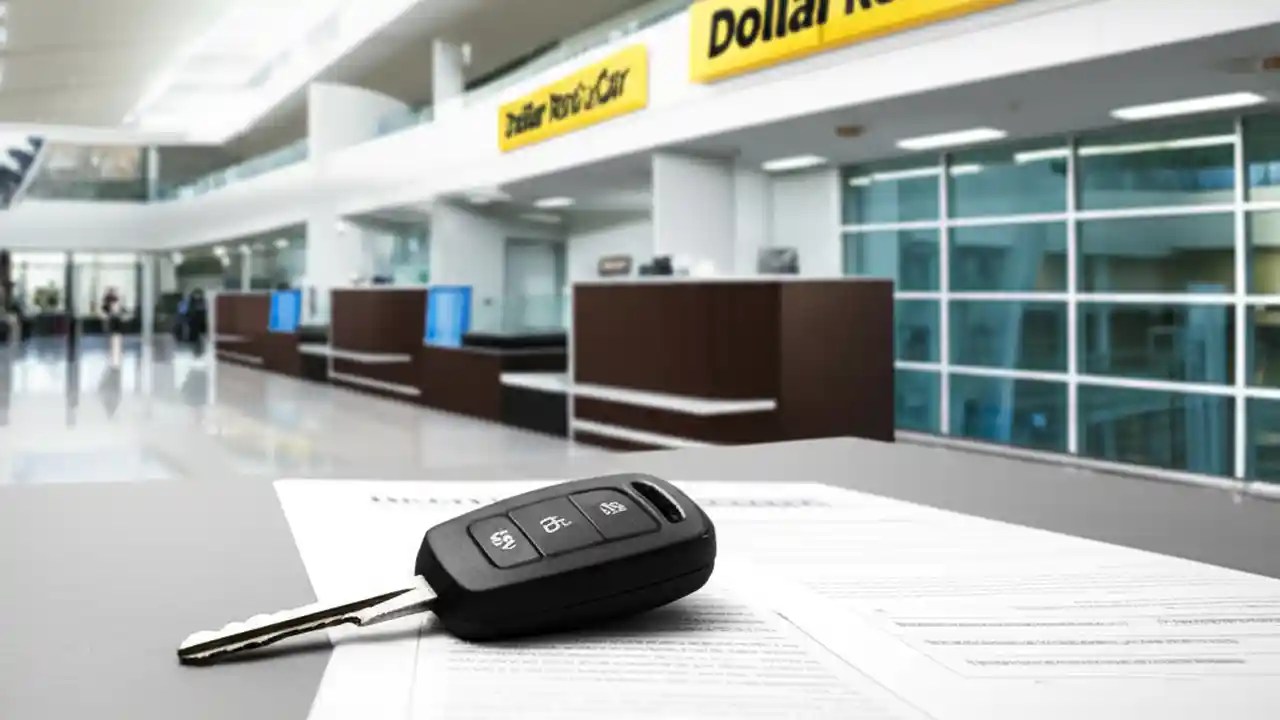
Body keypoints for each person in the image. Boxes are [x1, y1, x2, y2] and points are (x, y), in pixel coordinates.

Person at [102, 286, 123, 366]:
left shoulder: (113, 300)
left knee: (114, 339)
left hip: (113, 323)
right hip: (111, 322)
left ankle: (114, 358)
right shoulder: (110, 300)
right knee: (112, 339)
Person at [185, 288, 208, 356]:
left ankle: (199, 350)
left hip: (200, 323)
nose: (197, 296)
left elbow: (205, 312)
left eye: (198, 294)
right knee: (194, 339)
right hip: (193, 323)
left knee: (201, 338)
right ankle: (196, 350)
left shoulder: (203, 301)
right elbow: (186, 313)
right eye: (196, 294)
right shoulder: (190, 302)